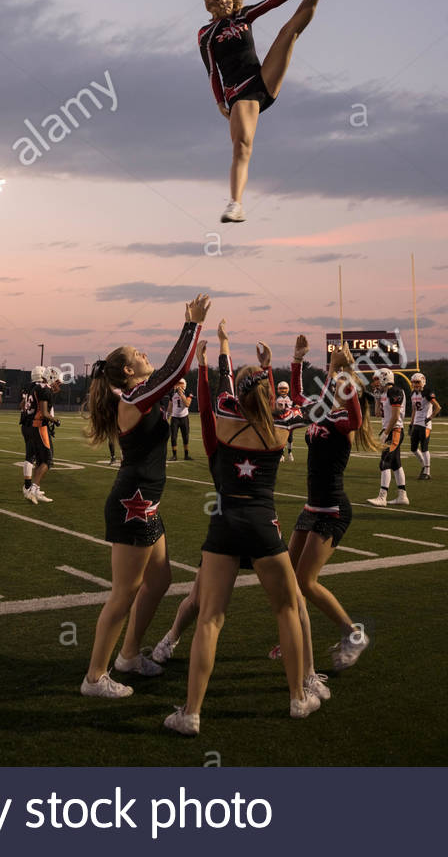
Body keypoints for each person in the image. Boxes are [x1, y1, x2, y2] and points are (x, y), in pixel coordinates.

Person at [163, 318, 321, 736]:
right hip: (264, 525)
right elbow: (299, 401)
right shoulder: (281, 428)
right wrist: (291, 363)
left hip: (224, 523)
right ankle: (297, 699)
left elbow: (224, 384)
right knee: (287, 610)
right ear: (271, 392)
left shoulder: (226, 418)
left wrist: (224, 345)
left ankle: (192, 712)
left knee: (211, 618)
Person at [80, 295, 209, 700]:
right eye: (137, 353)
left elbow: (171, 374)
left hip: (147, 506)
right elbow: (173, 372)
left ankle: (129, 656)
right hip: (132, 507)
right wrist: (191, 326)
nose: (143, 353)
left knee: (160, 581)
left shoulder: (138, 396)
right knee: (124, 593)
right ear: (128, 371)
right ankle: (95, 677)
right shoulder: (134, 399)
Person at [198, 0, 338, 223]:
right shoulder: (206, 34)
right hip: (240, 94)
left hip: (262, 79)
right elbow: (212, 70)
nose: (224, 2)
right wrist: (218, 101)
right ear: (210, 6)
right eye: (218, 0)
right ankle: (235, 204)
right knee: (242, 146)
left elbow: (272, 2)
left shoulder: (243, 17)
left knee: (290, 32)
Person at [286, 335, 378, 674]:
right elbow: (298, 397)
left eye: (341, 388)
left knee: (306, 582)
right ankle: (293, 635)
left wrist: (341, 372)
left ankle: (353, 634)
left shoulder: (343, 423)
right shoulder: (324, 413)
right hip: (311, 508)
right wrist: (298, 360)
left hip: (332, 510)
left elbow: (351, 417)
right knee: (289, 580)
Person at [367, 368, 409, 506]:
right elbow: (378, 414)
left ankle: (382, 497)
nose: (375, 382)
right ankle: (402, 496)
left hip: (394, 430)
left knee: (385, 462)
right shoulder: (385, 392)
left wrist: (386, 433)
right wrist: (377, 399)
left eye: (377, 379)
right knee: (396, 464)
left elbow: (396, 416)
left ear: (385, 377)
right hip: (389, 429)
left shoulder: (394, 391)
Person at [19, 366, 54, 504]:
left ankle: (31, 487)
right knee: (44, 458)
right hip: (37, 425)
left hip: (26, 423)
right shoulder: (42, 388)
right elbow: (45, 410)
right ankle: (31, 488)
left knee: (32, 456)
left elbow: (22, 405)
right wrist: (53, 420)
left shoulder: (30, 387)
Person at [408, 371, 441, 480]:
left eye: (417, 382)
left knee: (424, 448)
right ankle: (423, 465)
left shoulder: (427, 392)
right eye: (413, 382)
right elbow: (413, 409)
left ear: (422, 382)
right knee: (413, 448)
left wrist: (429, 418)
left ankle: (427, 472)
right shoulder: (413, 394)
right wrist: (411, 424)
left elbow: (438, 407)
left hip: (425, 425)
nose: (415, 384)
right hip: (416, 423)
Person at [169, 378, 193, 461]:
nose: (177, 385)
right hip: (175, 418)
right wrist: (167, 416)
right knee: (173, 437)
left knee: (185, 437)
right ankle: (174, 455)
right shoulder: (172, 393)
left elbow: (187, 404)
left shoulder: (188, 392)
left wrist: (181, 394)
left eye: (180, 383)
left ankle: (186, 455)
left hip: (184, 417)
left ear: (184, 384)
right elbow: (170, 406)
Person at [275, 380, 295, 461]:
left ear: (288, 389)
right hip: (280, 421)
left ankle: (290, 453)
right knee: (281, 438)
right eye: (281, 388)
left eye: (284, 388)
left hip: (289, 421)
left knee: (290, 438)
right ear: (278, 389)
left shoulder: (291, 400)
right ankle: (281, 454)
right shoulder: (276, 400)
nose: (283, 390)